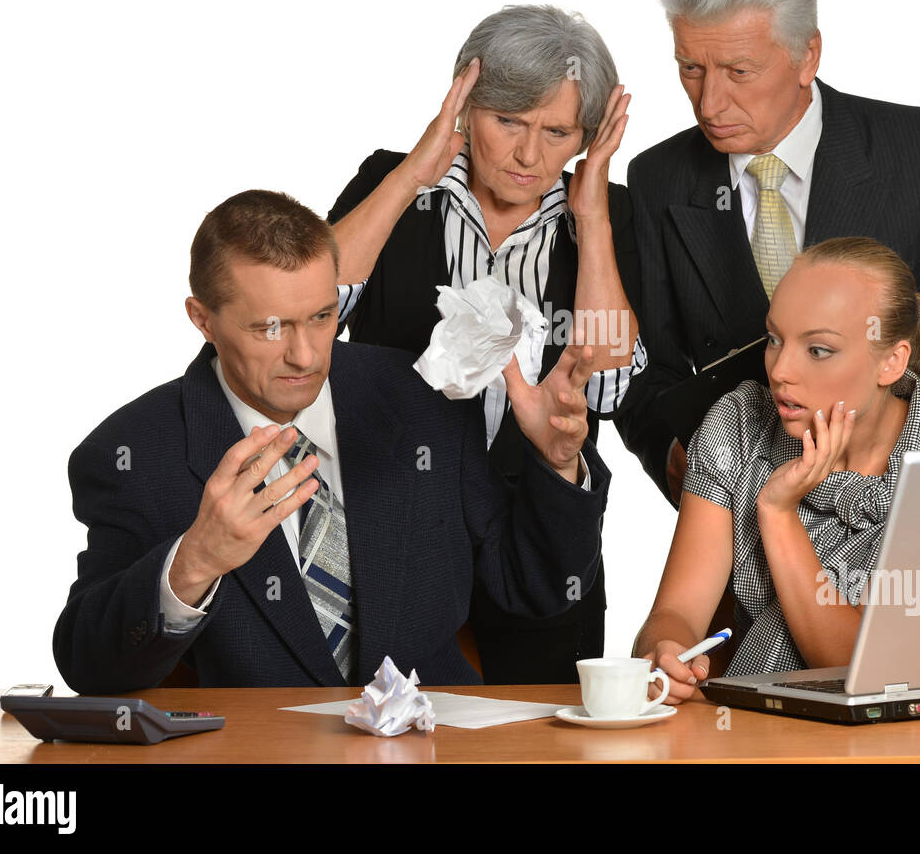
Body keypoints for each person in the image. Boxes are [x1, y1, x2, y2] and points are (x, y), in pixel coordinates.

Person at [53, 190, 609, 694]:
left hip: (437, 749)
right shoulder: (133, 454)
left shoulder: (422, 402)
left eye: (321, 316)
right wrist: (195, 561)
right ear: (202, 319)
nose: (306, 355)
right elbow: (91, 668)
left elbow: (536, 590)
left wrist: (557, 464)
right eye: (270, 328)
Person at [613, 0, 920, 505]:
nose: (709, 103)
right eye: (691, 68)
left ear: (806, 55)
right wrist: (674, 453)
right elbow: (645, 373)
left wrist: (891, 434)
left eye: (739, 72)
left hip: (906, 501)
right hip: (738, 517)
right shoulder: (656, 179)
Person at [325, 5, 645, 683]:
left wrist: (591, 217)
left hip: (542, 535)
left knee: (542, 742)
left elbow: (610, 388)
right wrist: (412, 173)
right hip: (399, 522)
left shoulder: (607, 217)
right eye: (509, 122)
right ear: (465, 106)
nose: (531, 155)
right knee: (389, 732)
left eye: (557, 131)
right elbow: (312, 307)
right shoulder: (396, 181)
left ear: (586, 137)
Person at [634, 237, 920, 703]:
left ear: (891, 362)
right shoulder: (737, 424)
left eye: (818, 350)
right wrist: (663, 649)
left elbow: (863, 672)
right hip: (755, 730)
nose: (780, 370)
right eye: (774, 339)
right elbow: (676, 611)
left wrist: (777, 512)